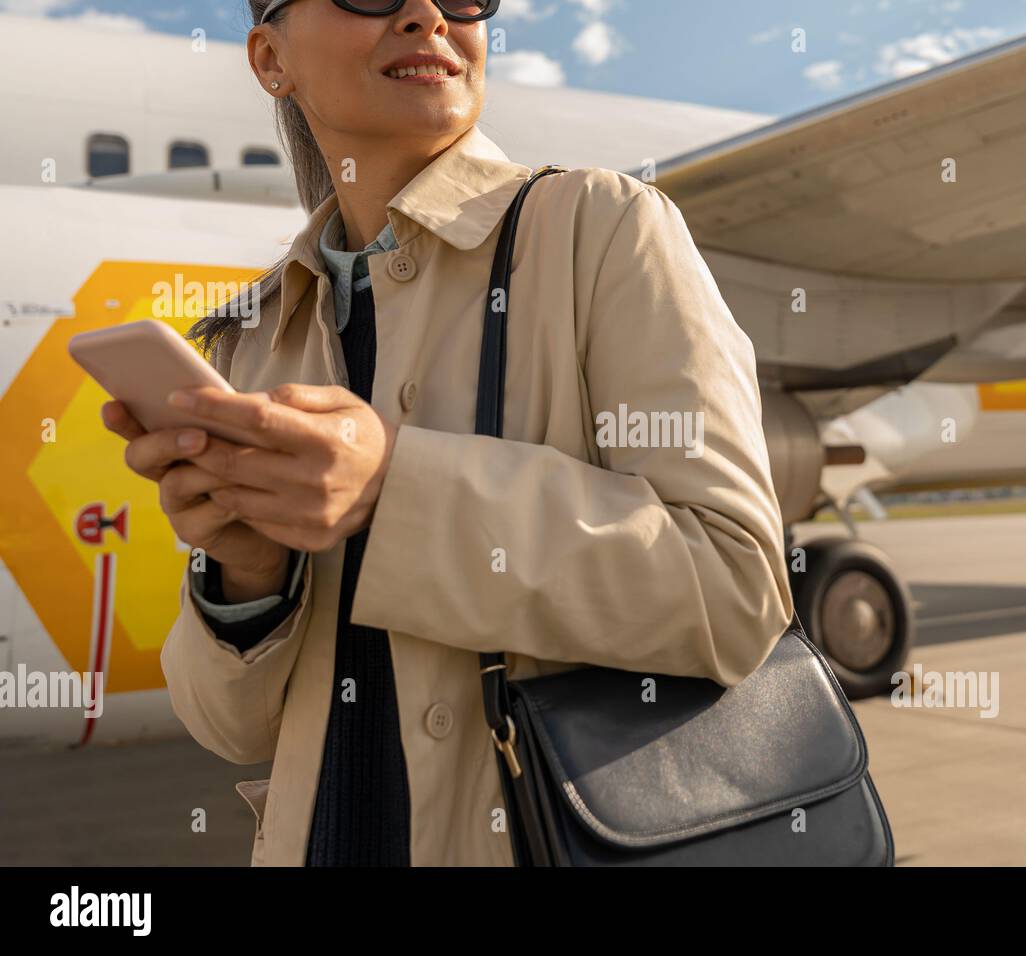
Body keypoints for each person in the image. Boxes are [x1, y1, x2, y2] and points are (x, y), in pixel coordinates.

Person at [101, 0, 793, 866]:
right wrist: (246, 578)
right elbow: (231, 731)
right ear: (270, 58)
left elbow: (736, 592)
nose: (428, 13)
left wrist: (394, 487)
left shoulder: (604, 225)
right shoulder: (257, 332)